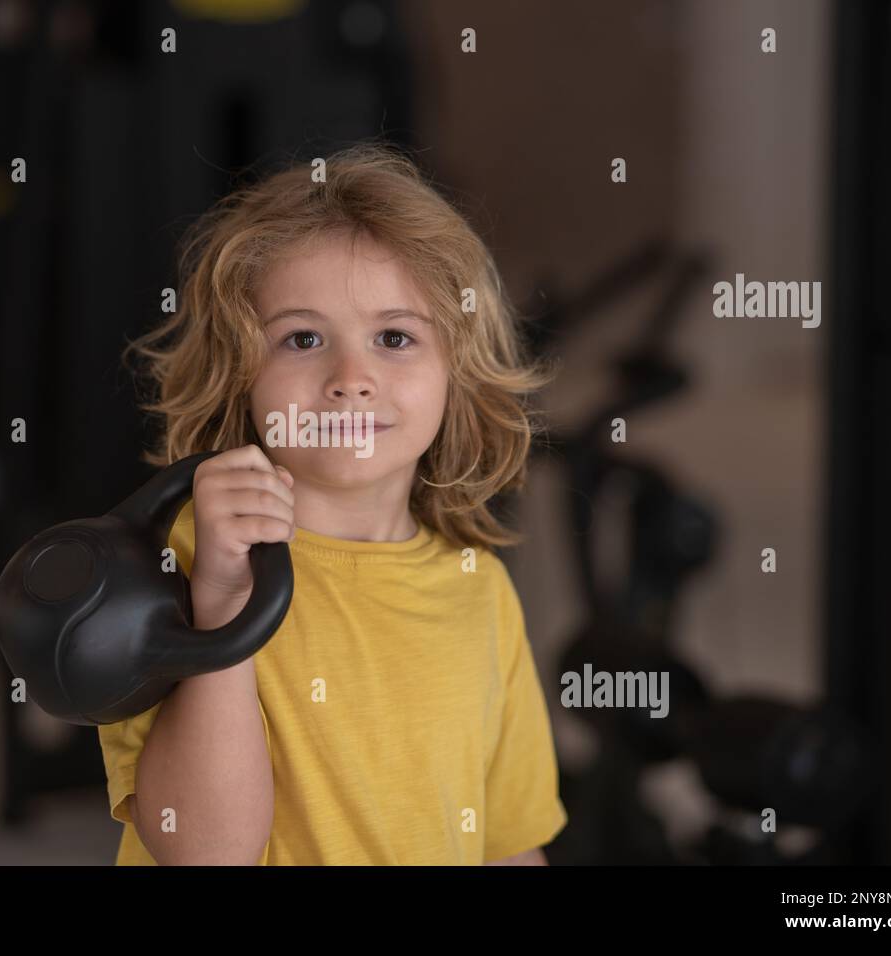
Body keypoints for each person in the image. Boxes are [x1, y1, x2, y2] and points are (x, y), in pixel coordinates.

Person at [98, 141, 566, 865]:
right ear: (239, 374)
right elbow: (206, 853)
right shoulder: (168, 563)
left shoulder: (480, 591)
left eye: (394, 337)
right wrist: (223, 603)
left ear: (457, 372)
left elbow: (507, 844)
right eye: (304, 337)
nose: (352, 377)